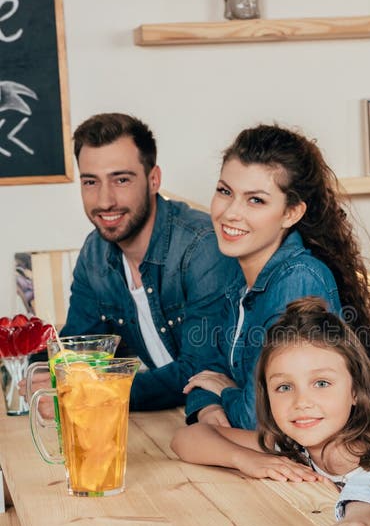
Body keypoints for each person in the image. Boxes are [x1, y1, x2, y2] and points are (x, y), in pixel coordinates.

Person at [182, 123, 370, 429]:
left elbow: (263, 418)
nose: (230, 213)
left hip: (311, 469)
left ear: (291, 213)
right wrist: (207, 408)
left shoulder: (297, 282)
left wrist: (223, 392)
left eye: (255, 200)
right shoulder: (235, 270)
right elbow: (203, 370)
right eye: (225, 192)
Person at [172, 299, 370, 526]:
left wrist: (358, 517)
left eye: (321, 383)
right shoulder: (290, 449)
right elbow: (187, 439)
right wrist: (248, 460)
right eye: (284, 387)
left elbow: (369, 492)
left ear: (356, 390)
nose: (301, 402)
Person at [59, 112, 237, 410]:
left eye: (121, 179)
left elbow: (202, 369)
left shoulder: (201, 246)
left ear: (154, 179)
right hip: (164, 417)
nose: (105, 200)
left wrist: (98, 392)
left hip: (218, 416)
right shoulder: (95, 253)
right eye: (90, 182)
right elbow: (78, 354)